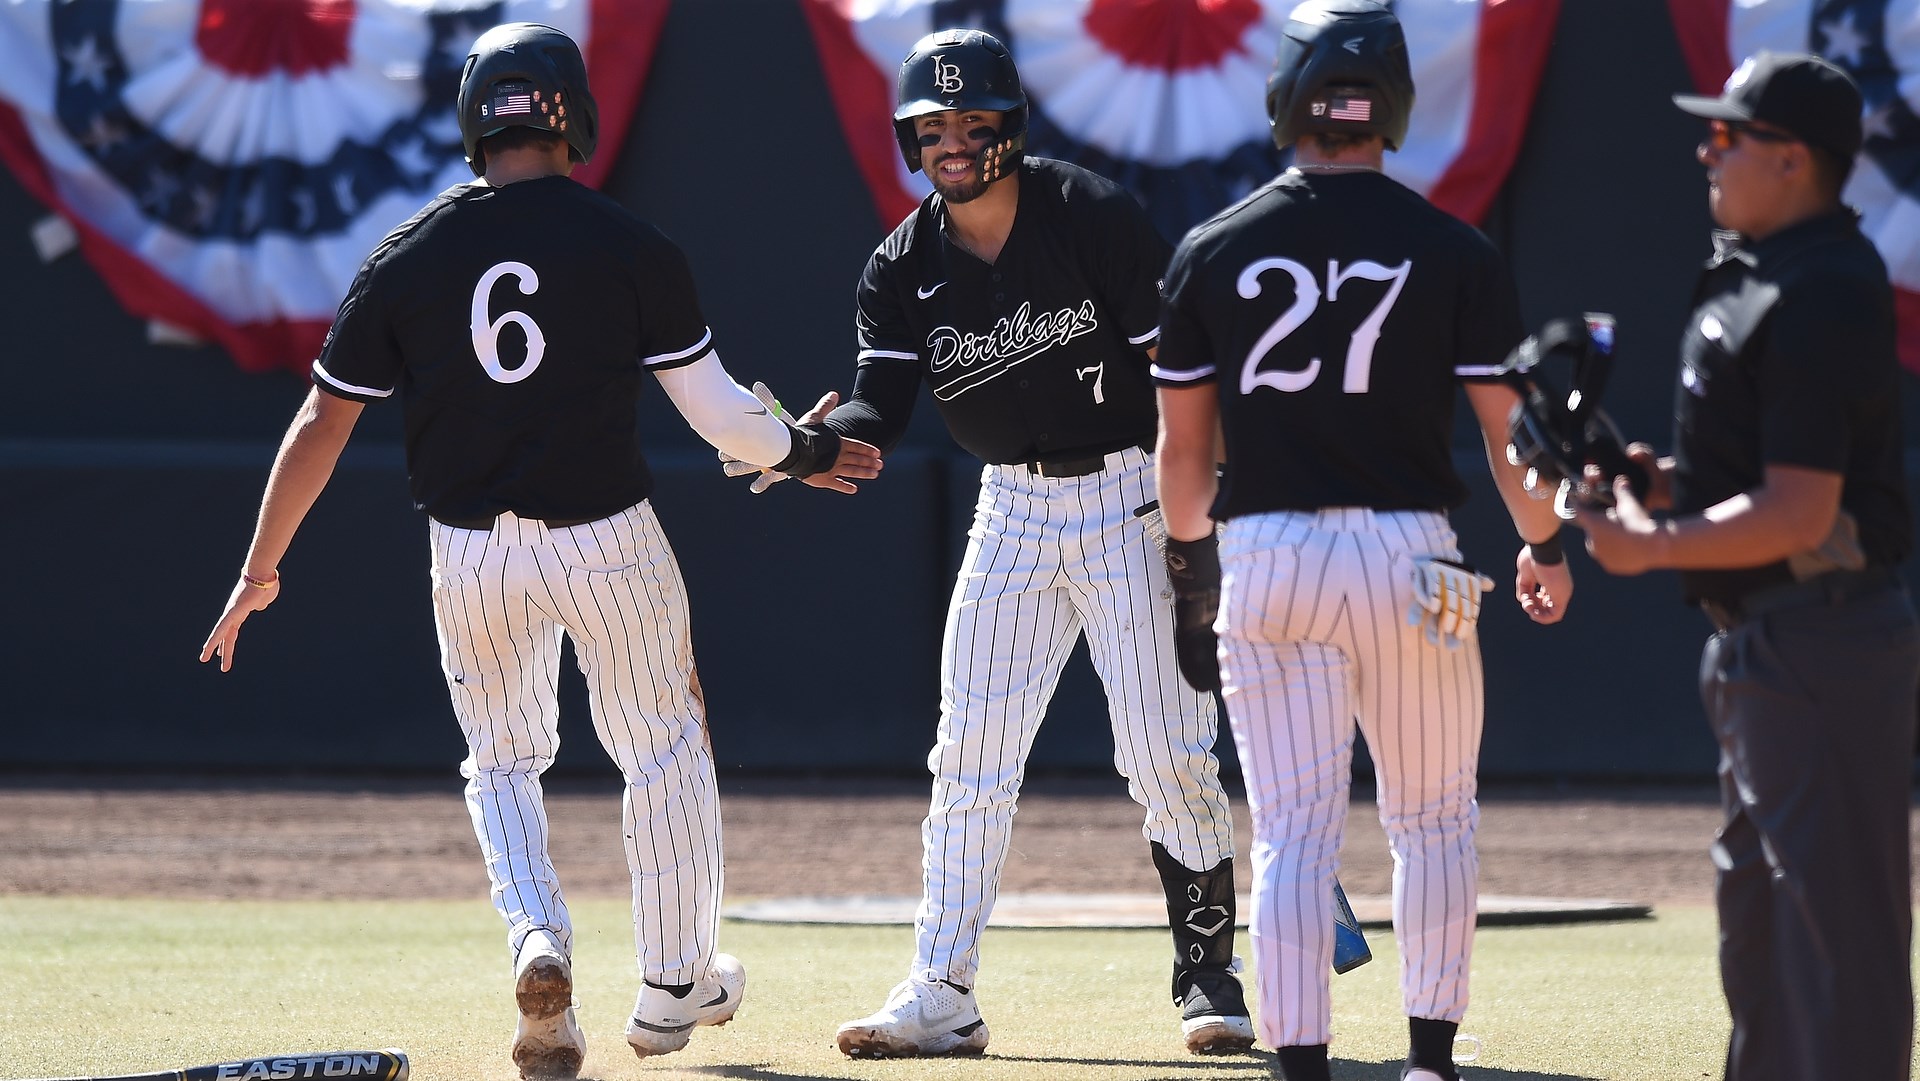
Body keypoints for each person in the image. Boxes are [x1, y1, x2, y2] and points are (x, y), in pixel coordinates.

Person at [196, 22, 881, 1081]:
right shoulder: (631, 245)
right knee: (662, 742)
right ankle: (669, 990)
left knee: (503, 760)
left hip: (468, 552)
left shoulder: (409, 252)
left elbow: (319, 425)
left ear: (475, 122)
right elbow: (721, 422)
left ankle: (538, 945)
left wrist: (258, 569)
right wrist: (805, 448)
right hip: (607, 536)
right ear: (572, 115)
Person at [743, 26, 1252, 1059]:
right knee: (971, 753)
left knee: (1166, 750)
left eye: (974, 121)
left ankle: (1208, 973)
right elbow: (878, 409)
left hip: (1130, 494)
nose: (954, 143)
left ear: (1012, 125)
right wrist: (800, 444)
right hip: (1009, 507)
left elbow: (1179, 381)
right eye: (933, 126)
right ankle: (942, 986)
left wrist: (1199, 527)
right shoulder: (901, 263)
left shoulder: (1089, 214)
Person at [1152, 3, 1574, 1079]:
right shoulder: (1455, 250)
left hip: (1269, 557)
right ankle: (1430, 1057)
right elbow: (1507, 435)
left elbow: (1184, 465)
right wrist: (1547, 546)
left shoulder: (1213, 247)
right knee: (1435, 818)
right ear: (1390, 105)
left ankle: (1302, 1066)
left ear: (1288, 96)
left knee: (1294, 831)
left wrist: (1195, 582)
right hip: (1417, 558)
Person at [1575, 51, 1917, 1081]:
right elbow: (1771, 471)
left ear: (1794, 160)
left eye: (1729, 135)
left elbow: (1803, 507)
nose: (1704, 151)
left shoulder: (1823, 289)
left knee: (1836, 939)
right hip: (1769, 646)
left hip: (1821, 639)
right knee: (1760, 928)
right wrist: (1669, 484)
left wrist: (1649, 545)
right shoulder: (1762, 273)